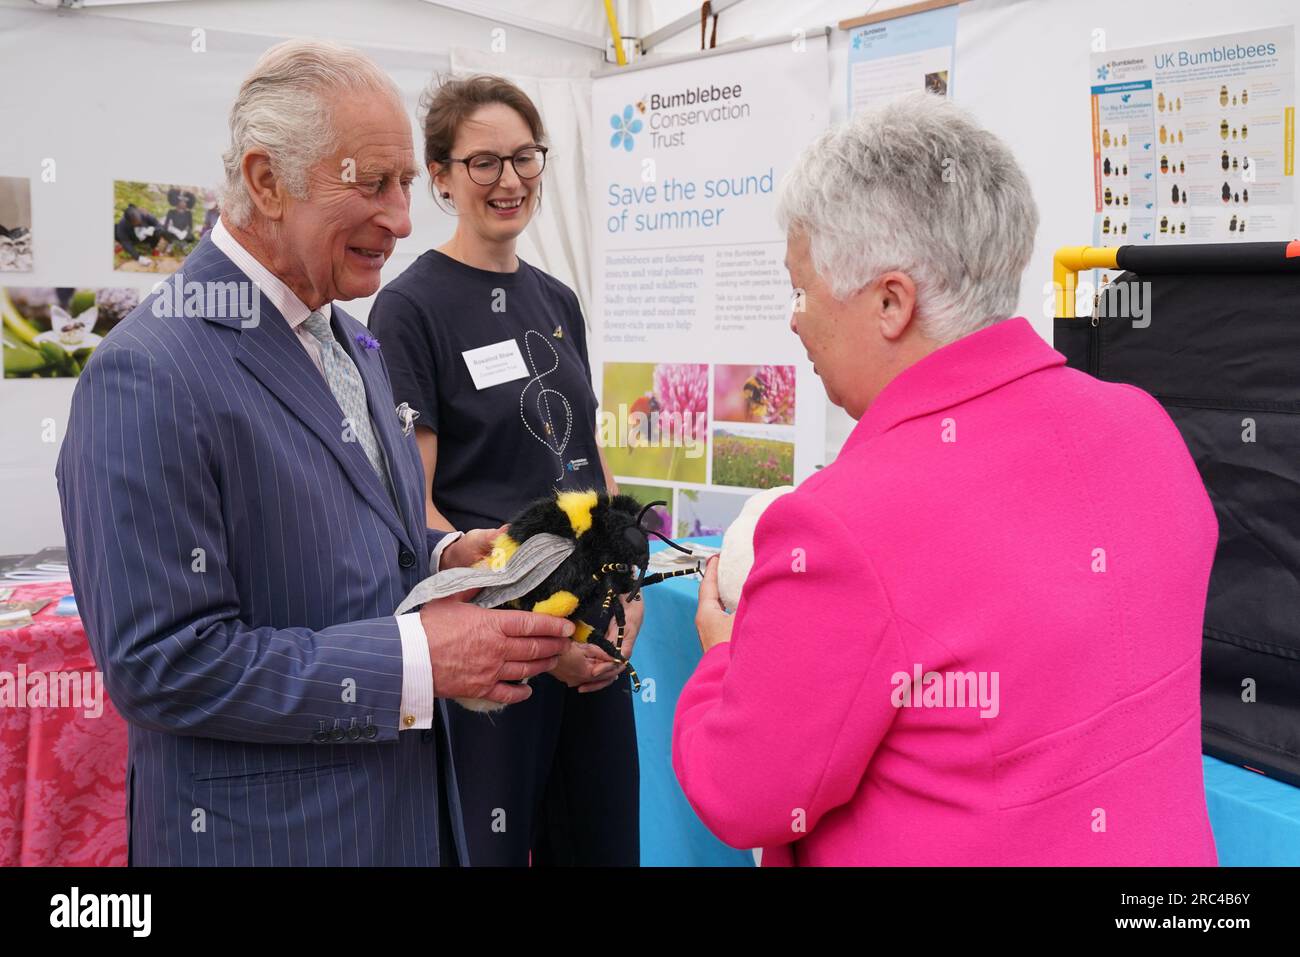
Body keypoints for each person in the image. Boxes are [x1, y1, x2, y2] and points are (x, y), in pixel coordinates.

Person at [56, 40, 574, 867]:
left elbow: (361, 538)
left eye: (406, 182)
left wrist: (452, 554)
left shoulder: (351, 339)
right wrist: (418, 658)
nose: (405, 219)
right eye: (373, 184)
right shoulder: (149, 372)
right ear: (267, 181)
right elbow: (161, 664)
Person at [673, 92, 1220, 866]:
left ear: (891, 301)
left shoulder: (842, 524)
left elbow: (741, 791)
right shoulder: (1143, 424)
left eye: (801, 290)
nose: (793, 320)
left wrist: (724, 654)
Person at [369, 74, 642, 866]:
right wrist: (535, 631)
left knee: (601, 846)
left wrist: (623, 591)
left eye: (525, 157)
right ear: (443, 176)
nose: (510, 179)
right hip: (500, 648)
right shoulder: (411, 309)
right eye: (484, 161)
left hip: (596, 640)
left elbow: (590, 464)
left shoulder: (557, 299)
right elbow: (416, 516)